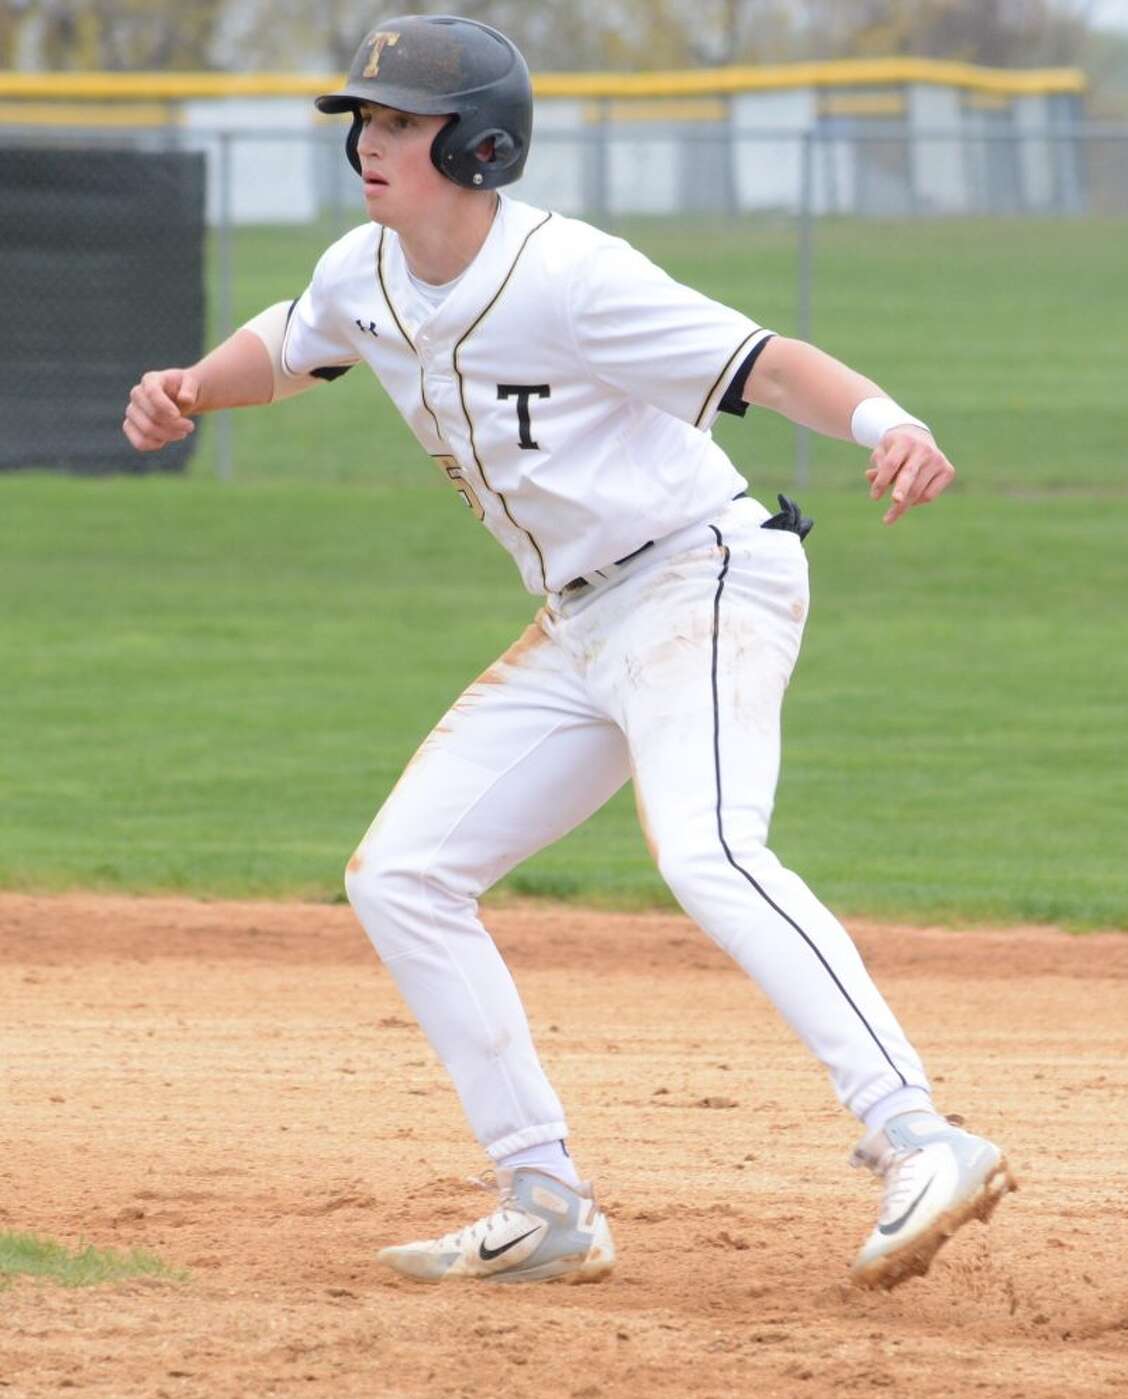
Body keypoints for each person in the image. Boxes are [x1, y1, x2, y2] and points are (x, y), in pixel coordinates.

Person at [123, 14, 1014, 1292]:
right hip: (579, 620)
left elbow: (763, 362)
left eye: (401, 123)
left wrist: (890, 420)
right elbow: (294, 338)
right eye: (363, 120)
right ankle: (543, 1198)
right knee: (404, 872)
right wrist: (192, 387)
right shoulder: (365, 270)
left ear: (481, 148)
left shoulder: (571, 276)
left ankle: (920, 1134)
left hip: (702, 577)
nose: (370, 141)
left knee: (709, 847)